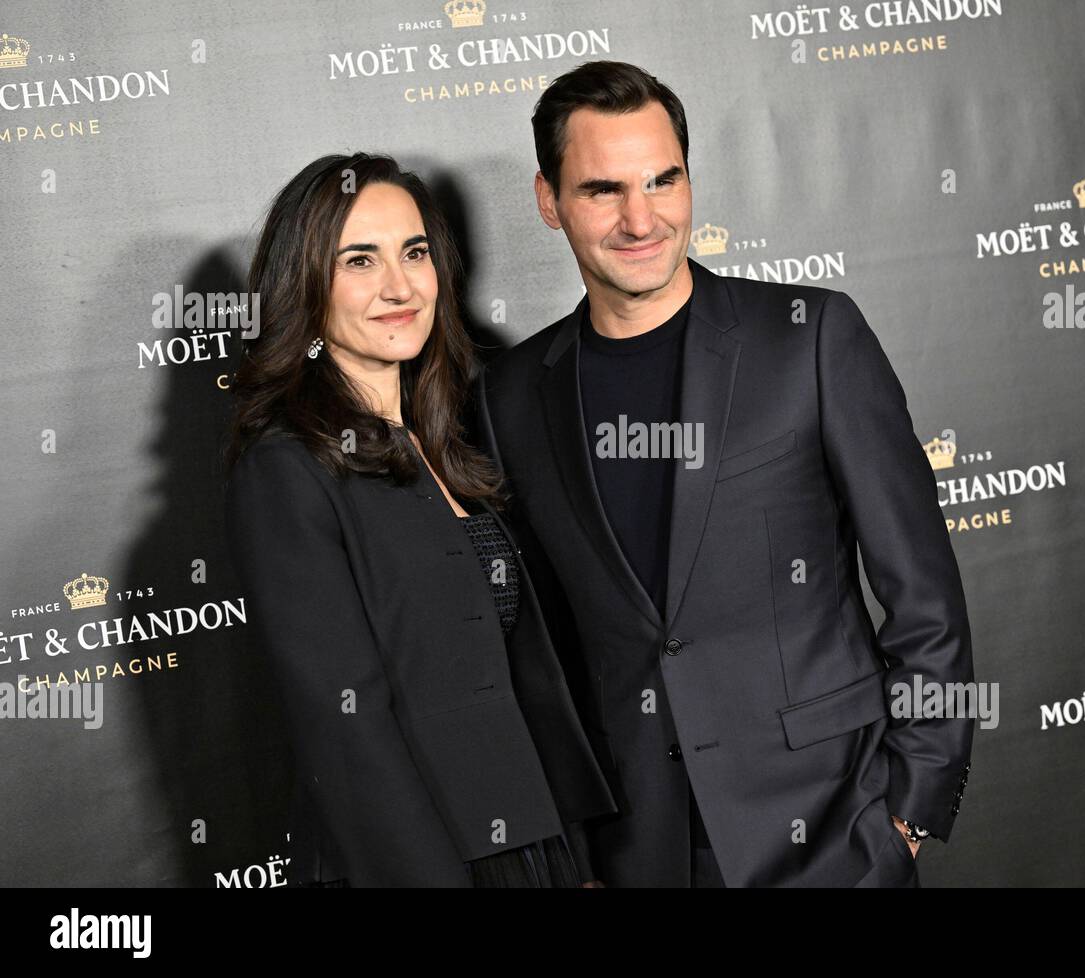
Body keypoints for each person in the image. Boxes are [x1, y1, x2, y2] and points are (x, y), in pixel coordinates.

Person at [474, 61, 975, 887]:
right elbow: (547, 649)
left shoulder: (808, 339)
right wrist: (584, 850)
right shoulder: (511, 396)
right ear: (548, 200)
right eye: (603, 190)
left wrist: (909, 811)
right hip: (642, 849)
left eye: (663, 180)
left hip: (833, 835)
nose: (643, 218)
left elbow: (927, 601)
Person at [223, 152, 615, 887]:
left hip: (535, 849)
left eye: (414, 253)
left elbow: (518, 684)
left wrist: (576, 858)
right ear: (306, 286)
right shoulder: (286, 470)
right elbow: (347, 733)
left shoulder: (449, 444)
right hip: (418, 864)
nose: (399, 287)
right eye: (360, 261)